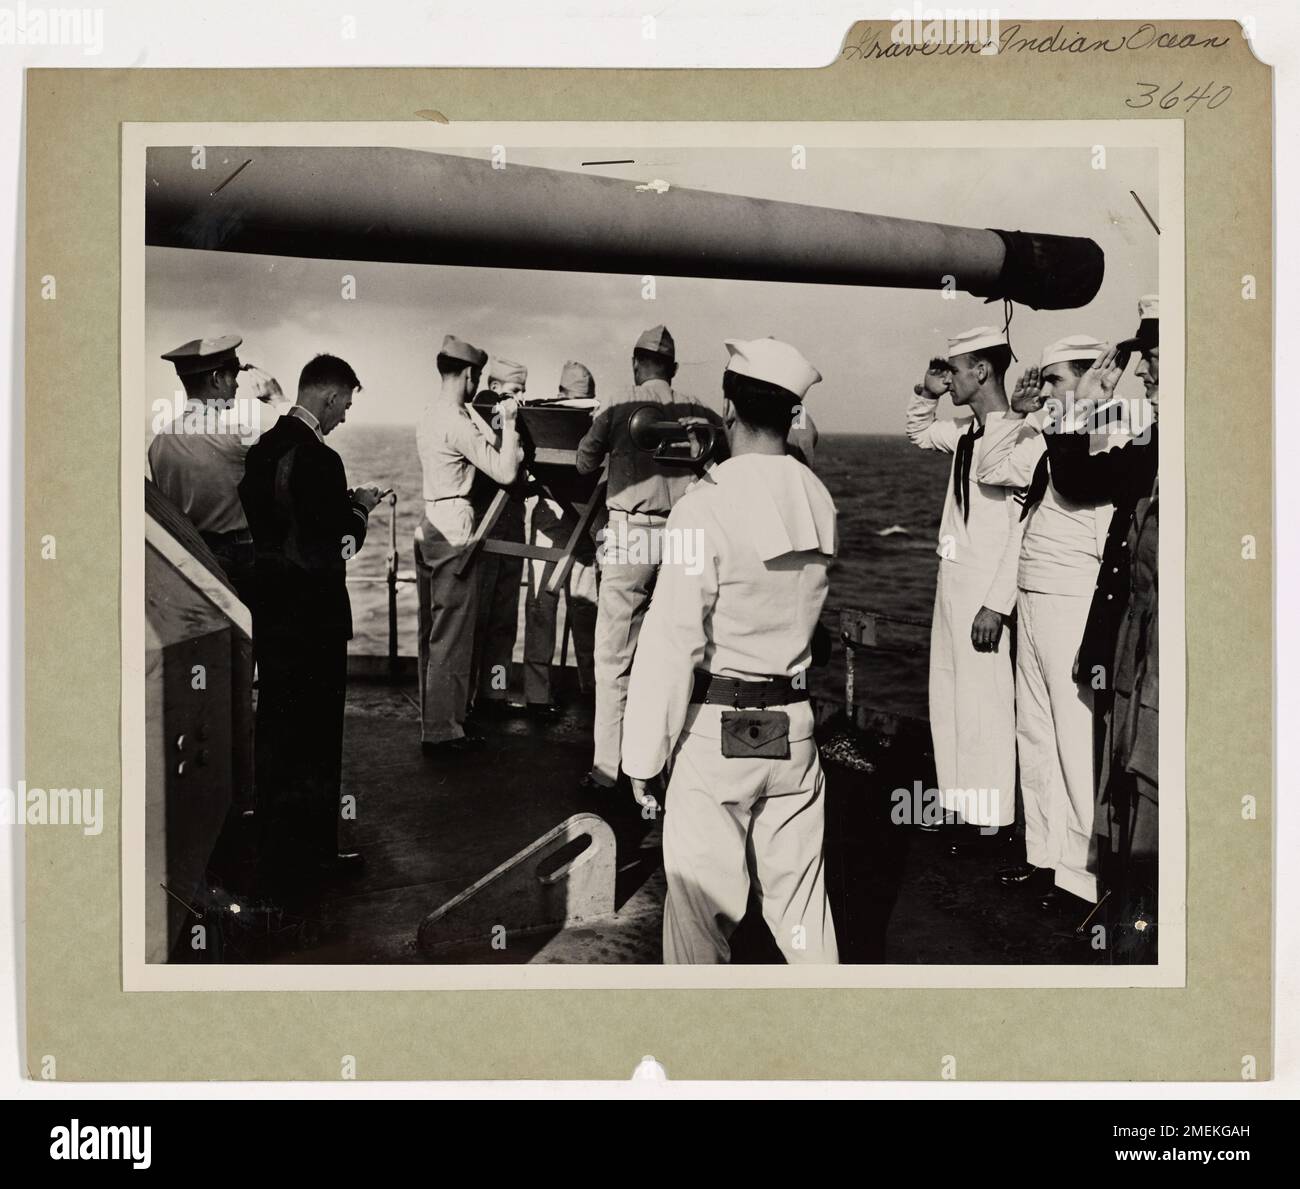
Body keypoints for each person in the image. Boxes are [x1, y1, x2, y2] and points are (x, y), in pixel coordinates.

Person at [622, 337, 838, 964]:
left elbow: (671, 642)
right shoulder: (816, 498)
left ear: (727, 408)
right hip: (793, 729)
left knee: (698, 914)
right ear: (793, 413)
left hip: (721, 732)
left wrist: (643, 757)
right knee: (802, 912)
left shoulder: (704, 508)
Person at [974, 335, 1116, 911]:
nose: (1048, 389)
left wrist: (1078, 410)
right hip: (1034, 593)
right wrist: (1026, 414)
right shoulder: (1053, 436)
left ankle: (1086, 878)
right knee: (1034, 733)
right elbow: (999, 473)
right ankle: (1045, 856)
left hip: (1072, 597)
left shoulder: (1110, 432)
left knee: (1074, 735)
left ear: (1087, 378)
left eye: (1056, 380)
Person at [1042, 297, 1160, 961]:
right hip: (1135, 653)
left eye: (1158, 361)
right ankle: (1132, 936)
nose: (1144, 375)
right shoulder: (1156, 445)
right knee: (1129, 795)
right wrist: (1076, 404)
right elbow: (1079, 477)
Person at [237, 354, 382, 887]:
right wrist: (361, 508)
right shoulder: (322, 459)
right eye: (345, 402)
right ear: (326, 397)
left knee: (277, 730)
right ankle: (317, 858)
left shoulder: (262, 451)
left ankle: (275, 849)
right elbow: (335, 545)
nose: (344, 414)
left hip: (273, 614)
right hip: (314, 622)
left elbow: (284, 520)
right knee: (317, 741)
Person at [575, 324, 723, 793]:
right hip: (682, 538)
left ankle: (608, 770)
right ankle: (663, 768)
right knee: (675, 655)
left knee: (613, 657)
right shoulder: (698, 407)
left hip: (631, 537)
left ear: (637, 364)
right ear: (673, 368)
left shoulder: (619, 402)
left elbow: (583, 463)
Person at [906, 328, 1026, 847]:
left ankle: (993, 816)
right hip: (952, 580)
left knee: (987, 701)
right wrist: (927, 393)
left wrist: (996, 606)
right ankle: (958, 803)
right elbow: (918, 432)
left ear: (982, 372)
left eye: (954, 370)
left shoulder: (1020, 436)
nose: (948, 377)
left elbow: (1021, 531)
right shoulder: (965, 434)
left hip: (985, 587)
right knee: (950, 692)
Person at [415, 334, 523, 752]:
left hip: (430, 518)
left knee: (433, 632)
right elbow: (504, 472)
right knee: (452, 636)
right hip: (455, 523)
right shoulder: (456, 421)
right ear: (470, 374)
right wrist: (510, 423)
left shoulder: (431, 414)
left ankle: (440, 722)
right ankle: (443, 732)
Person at [149, 334, 269, 606]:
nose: (237, 384)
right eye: (232, 376)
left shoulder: (159, 443)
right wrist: (278, 400)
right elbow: (301, 453)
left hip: (187, 560)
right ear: (216, 379)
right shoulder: (238, 438)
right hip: (238, 563)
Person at [522, 361, 599, 714]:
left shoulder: (540, 418)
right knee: (585, 607)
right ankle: (592, 688)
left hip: (553, 517)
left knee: (543, 606)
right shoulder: (595, 421)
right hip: (583, 518)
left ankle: (538, 695)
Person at [468, 357, 533, 716]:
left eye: (523, 391)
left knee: (504, 620)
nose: (520, 398)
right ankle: (470, 699)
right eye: (513, 391)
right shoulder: (480, 411)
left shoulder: (512, 417)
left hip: (512, 523)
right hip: (487, 525)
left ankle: (494, 695)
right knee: (480, 617)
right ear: (493, 388)